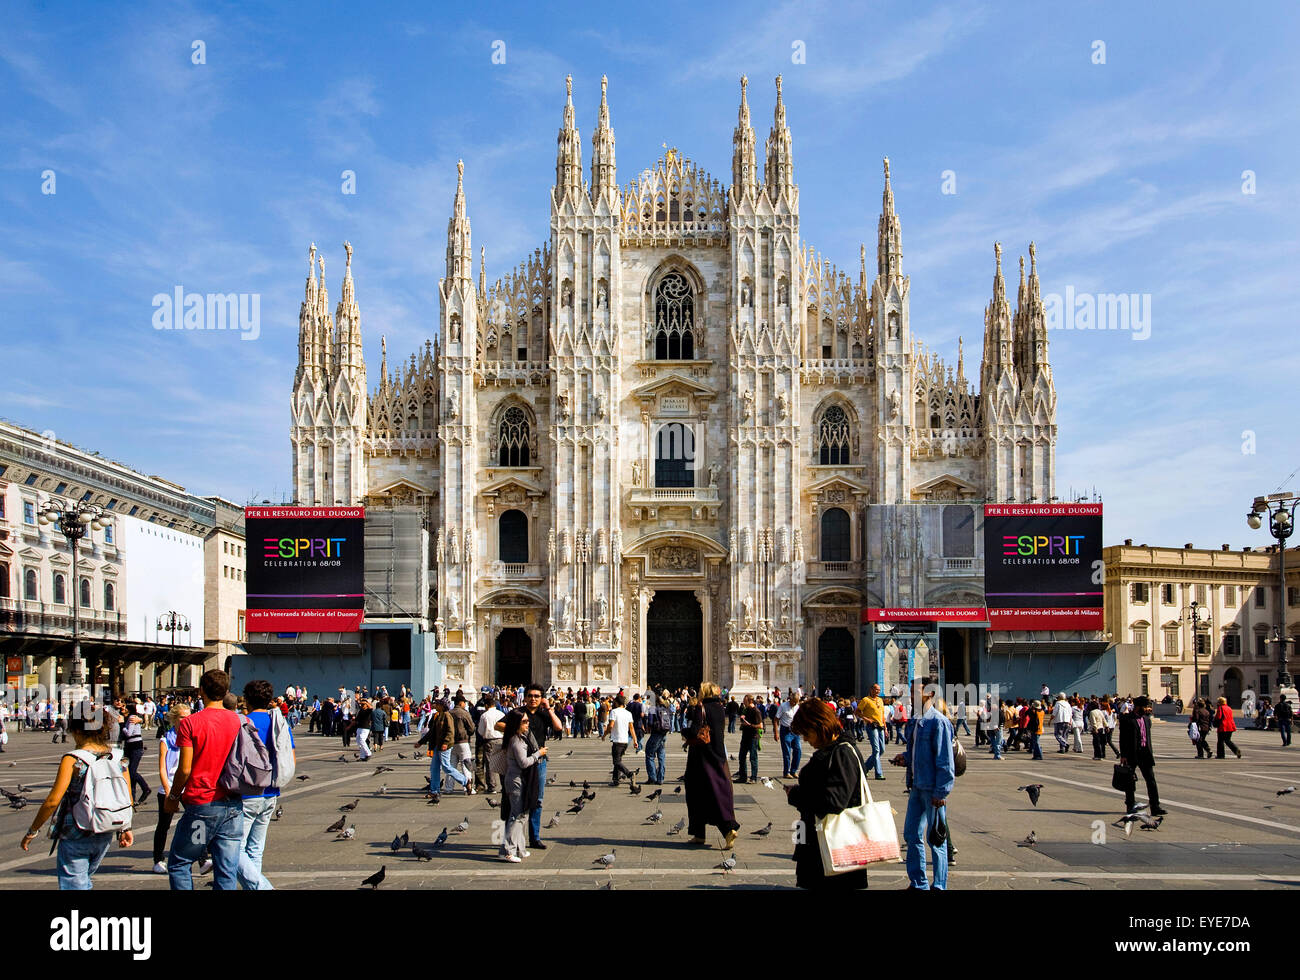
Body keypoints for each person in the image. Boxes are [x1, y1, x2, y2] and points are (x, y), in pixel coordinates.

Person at [20, 700, 135, 889]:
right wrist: (126, 827)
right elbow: (127, 795)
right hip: (105, 828)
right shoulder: (117, 756)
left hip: (76, 830)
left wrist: (33, 830)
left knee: (75, 885)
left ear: (77, 730)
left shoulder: (73, 759)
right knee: (84, 881)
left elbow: (52, 801)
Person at [164, 669, 248, 890]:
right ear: (226, 691)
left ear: (201, 691)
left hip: (203, 806)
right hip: (233, 805)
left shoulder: (191, 723)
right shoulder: (239, 721)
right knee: (226, 869)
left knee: (181, 862)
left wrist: (173, 796)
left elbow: (184, 769)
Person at [784, 697, 869, 890]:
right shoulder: (833, 752)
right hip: (821, 846)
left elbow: (834, 801)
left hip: (834, 850)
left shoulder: (842, 753)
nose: (805, 739)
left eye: (807, 733)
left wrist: (797, 795)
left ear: (819, 726)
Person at [891, 680, 954, 890]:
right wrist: (906, 758)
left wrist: (941, 792)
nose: (911, 696)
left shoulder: (939, 722)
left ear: (930, 693)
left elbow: (945, 761)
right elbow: (919, 752)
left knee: (936, 839)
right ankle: (919, 883)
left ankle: (939, 885)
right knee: (911, 834)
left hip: (932, 789)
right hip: (917, 785)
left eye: (915, 692)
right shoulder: (916, 721)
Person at [238, 679, 294, 890]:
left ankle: (262, 887)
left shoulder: (242, 722)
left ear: (247, 699)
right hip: (271, 792)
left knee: (234, 848)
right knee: (255, 849)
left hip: (247, 792)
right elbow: (289, 756)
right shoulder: (279, 723)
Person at [682, 682, 740, 848]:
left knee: (696, 793)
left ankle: (726, 829)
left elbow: (694, 731)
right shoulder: (720, 708)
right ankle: (702, 834)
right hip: (718, 755)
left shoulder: (702, 708)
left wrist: (684, 732)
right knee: (717, 790)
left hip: (701, 757)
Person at [498, 710, 545, 863]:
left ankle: (520, 848)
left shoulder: (520, 737)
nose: (528, 723)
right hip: (516, 781)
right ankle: (507, 851)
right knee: (515, 816)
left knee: (523, 815)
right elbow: (524, 763)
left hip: (521, 780)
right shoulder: (516, 740)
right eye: (524, 721)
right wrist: (539, 753)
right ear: (516, 724)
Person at [1118, 695, 1166, 817]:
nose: (1147, 709)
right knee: (1130, 781)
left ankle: (1155, 806)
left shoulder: (1146, 719)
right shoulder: (1127, 719)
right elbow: (1122, 738)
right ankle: (1130, 805)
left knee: (1151, 780)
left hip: (1145, 753)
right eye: (1145, 707)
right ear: (1138, 706)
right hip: (1132, 753)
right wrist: (1123, 755)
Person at [606, 695, 639, 785]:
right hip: (625, 741)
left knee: (616, 762)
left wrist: (605, 734)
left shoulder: (614, 712)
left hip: (617, 740)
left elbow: (611, 725)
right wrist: (635, 741)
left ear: (617, 702)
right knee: (618, 761)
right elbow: (632, 728)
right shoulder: (628, 713)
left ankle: (629, 774)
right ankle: (615, 780)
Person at [474, 694, 504, 793]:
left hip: (489, 741)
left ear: (486, 706)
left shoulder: (484, 715)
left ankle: (492, 787)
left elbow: (480, 731)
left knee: (490, 764)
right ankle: (504, 786)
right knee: (501, 763)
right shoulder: (501, 714)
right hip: (501, 740)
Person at [857, 684, 887, 780]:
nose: (878, 691)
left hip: (881, 726)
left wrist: (885, 727)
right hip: (872, 726)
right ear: (871, 689)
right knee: (876, 750)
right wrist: (866, 719)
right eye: (876, 689)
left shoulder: (880, 700)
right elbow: (857, 712)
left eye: (879, 690)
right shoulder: (866, 700)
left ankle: (864, 768)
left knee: (882, 750)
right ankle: (878, 773)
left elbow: (882, 715)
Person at [121, 707, 150, 804]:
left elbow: (129, 733)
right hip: (129, 746)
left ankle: (145, 788)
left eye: (125, 708)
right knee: (130, 772)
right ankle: (132, 798)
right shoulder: (129, 718)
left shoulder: (132, 717)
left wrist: (122, 725)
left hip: (135, 746)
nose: (123, 709)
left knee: (132, 772)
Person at [449, 695, 476, 789]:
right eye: (464, 702)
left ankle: (448, 788)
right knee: (466, 764)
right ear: (461, 703)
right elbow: (471, 728)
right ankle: (468, 787)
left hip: (451, 742)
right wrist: (469, 733)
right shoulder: (464, 713)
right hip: (463, 741)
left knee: (451, 766)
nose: (465, 704)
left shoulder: (449, 713)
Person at [735, 694, 763, 783]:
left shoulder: (756, 711)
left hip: (753, 737)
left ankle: (753, 777)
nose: (743, 702)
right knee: (741, 756)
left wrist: (750, 725)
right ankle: (743, 777)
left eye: (745, 700)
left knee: (753, 757)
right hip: (745, 736)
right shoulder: (746, 710)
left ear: (750, 701)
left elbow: (761, 725)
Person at [644, 693, 671, 784]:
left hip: (656, 734)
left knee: (649, 755)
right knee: (661, 756)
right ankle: (660, 778)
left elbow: (651, 723)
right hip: (664, 734)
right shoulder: (664, 707)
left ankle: (652, 777)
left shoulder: (652, 708)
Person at [778, 692, 802, 778]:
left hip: (795, 731)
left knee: (798, 751)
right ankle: (786, 772)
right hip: (785, 731)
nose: (794, 704)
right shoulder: (783, 706)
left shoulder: (797, 707)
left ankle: (794, 771)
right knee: (787, 753)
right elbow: (776, 718)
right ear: (790, 699)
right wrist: (776, 732)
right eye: (793, 702)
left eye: (796, 702)